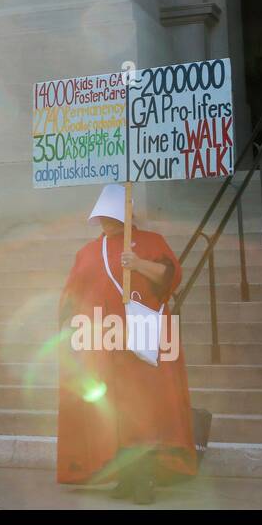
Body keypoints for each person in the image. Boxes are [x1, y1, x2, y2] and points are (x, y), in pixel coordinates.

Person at [56, 184, 197, 503]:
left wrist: (137, 264)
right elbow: (72, 293)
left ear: (124, 214)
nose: (105, 222)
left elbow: (171, 276)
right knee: (114, 411)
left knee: (144, 408)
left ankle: (144, 477)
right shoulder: (88, 251)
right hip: (101, 341)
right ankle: (124, 477)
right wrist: (68, 329)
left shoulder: (151, 242)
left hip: (142, 337)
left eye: (110, 215)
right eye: (101, 216)